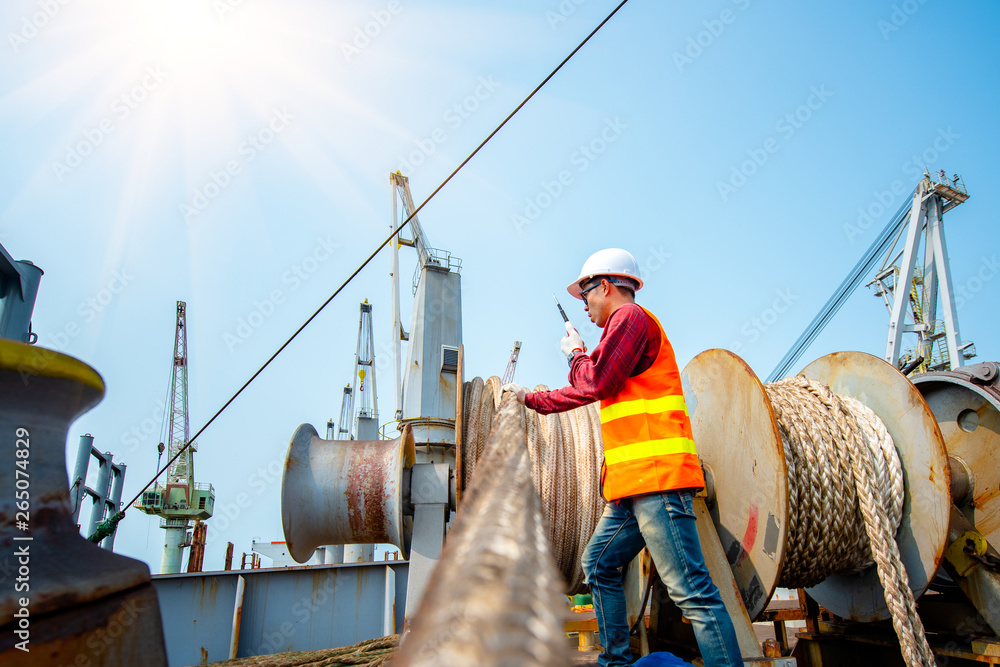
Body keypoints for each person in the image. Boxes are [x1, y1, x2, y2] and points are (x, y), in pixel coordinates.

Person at [502, 248, 742, 667]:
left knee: (692, 592)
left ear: (607, 286)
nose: (584, 305)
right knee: (598, 564)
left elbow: (595, 381)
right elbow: (598, 380)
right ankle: (615, 662)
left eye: (586, 295)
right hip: (633, 488)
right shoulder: (621, 332)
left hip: (657, 481)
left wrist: (570, 359)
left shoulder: (629, 319)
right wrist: (574, 364)